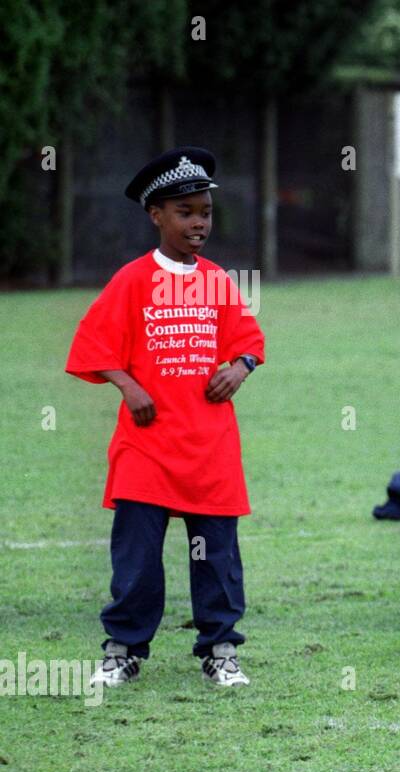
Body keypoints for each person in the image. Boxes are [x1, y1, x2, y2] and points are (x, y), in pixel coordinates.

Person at [66, 147, 265, 688]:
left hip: (209, 445)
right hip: (146, 446)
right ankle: (123, 648)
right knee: (136, 556)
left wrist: (239, 369)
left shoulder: (218, 281)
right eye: (185, 212)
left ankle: (220, 648)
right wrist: (128, 385)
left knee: (217, 554)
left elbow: (248, 343)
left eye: (204, 212)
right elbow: (90, 345)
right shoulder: (132, 280)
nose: (198, 222)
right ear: (156, 215)